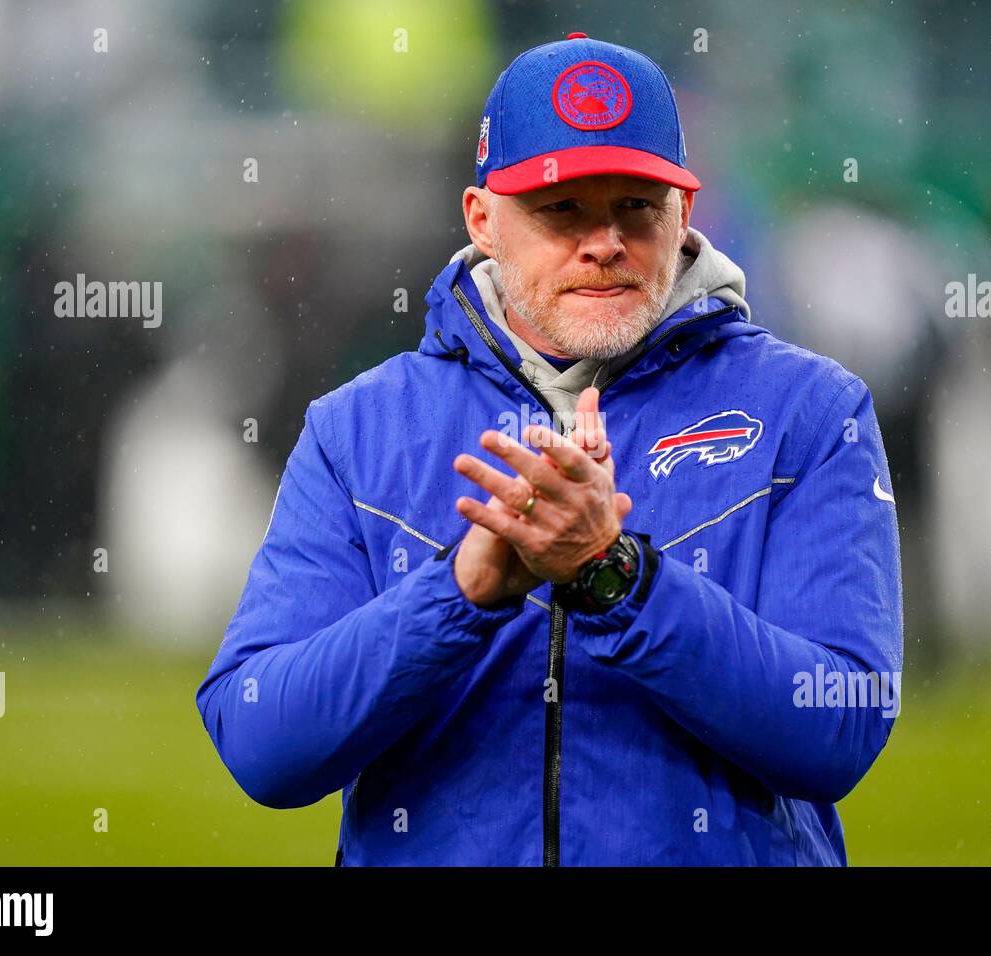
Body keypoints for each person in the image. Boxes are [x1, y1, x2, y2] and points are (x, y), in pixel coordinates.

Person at [196, 32, 904, 866]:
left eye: (635, 205)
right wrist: (460, 594)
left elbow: (840, 725)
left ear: (686, 214)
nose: (602, 241)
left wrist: (619, 577)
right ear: (482, 220)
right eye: (561, 208)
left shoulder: (810, 412)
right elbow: (262, 741)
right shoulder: (358, 428)